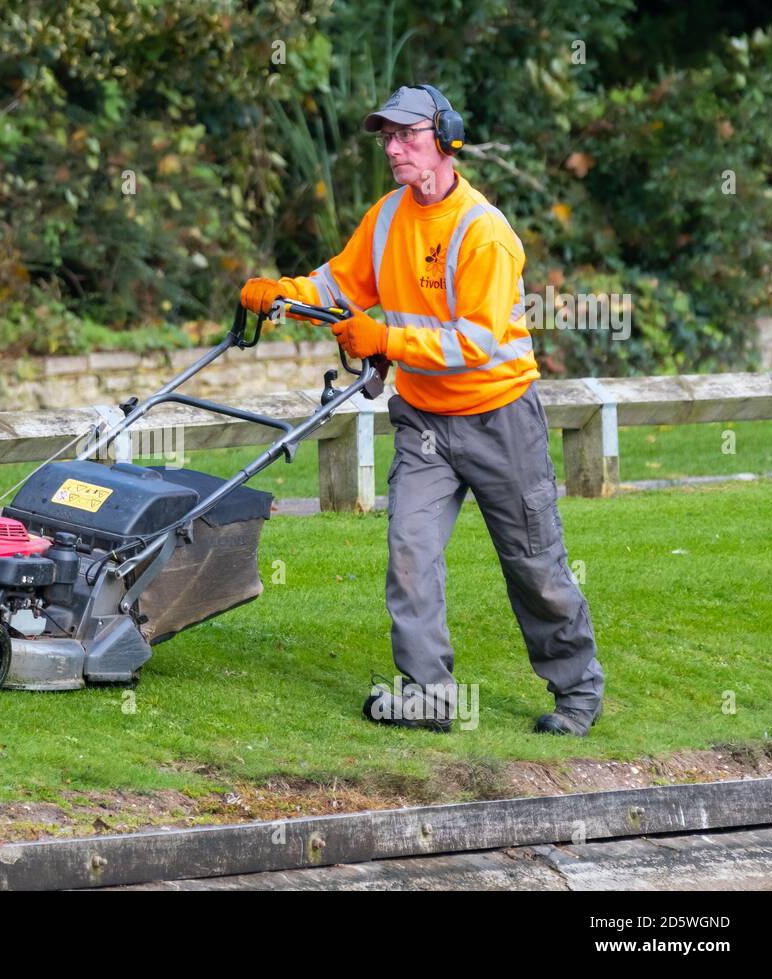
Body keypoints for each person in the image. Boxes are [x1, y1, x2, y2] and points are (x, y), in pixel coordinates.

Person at [240, 84, 604, 736]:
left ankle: (576, 694)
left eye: (406, 135)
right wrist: (280, 295)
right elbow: (337, 284)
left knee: (534, 564)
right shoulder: (387, 218)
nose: (393, 148)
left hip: (500, 419)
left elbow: (479, 342)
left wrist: (385, 340)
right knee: (409, 552)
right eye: (386, 137)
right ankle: (429, 693)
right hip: (425, 422)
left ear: (444, 140)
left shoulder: (482, 232)